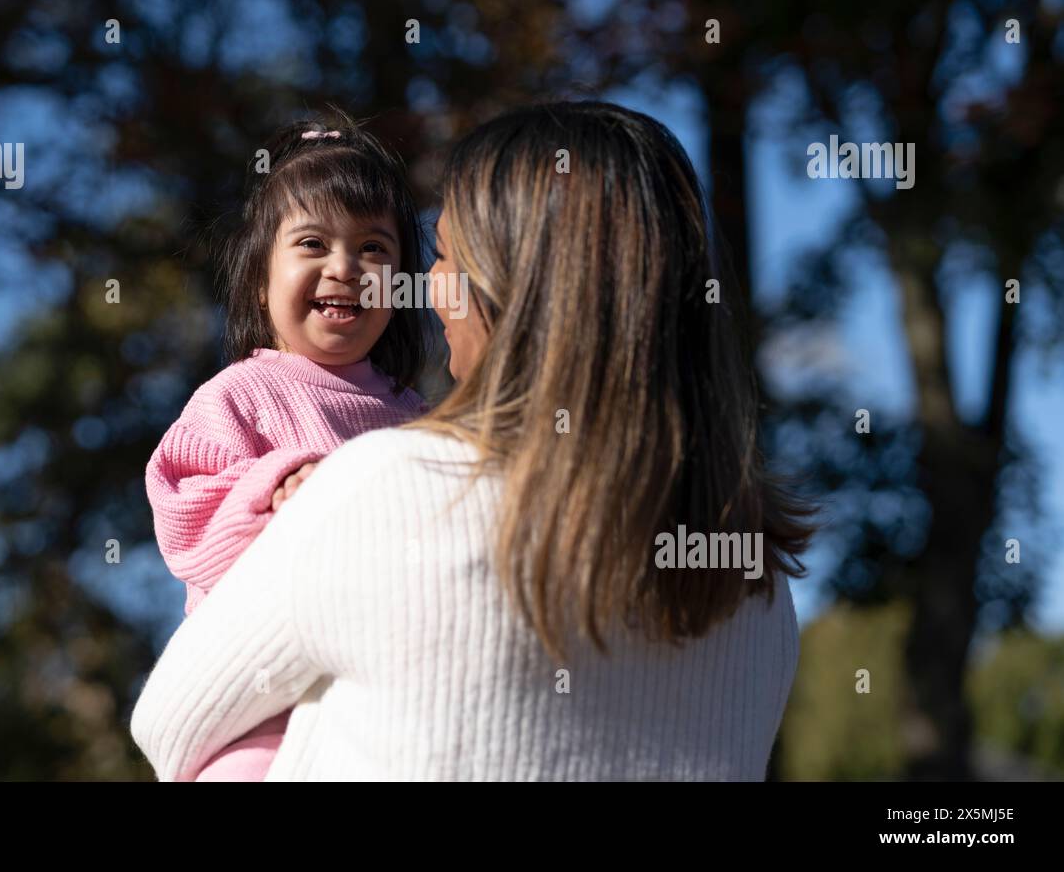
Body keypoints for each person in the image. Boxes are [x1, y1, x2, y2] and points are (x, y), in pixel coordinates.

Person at [132, 100, 817, 781]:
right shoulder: (756, 581)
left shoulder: (389, 484)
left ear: (519, 288)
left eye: (448, 257)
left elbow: (169, 720)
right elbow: (188, 493)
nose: (428, 286)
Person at [143, 110, 427, 780]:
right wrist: (276, 485)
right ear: (259, 274)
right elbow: (184, 507)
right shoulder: (241, 394)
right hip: (257, 705)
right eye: (312, 242)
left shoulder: (417, 419)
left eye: (375, 248)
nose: (346, 267)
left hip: (376, 703)